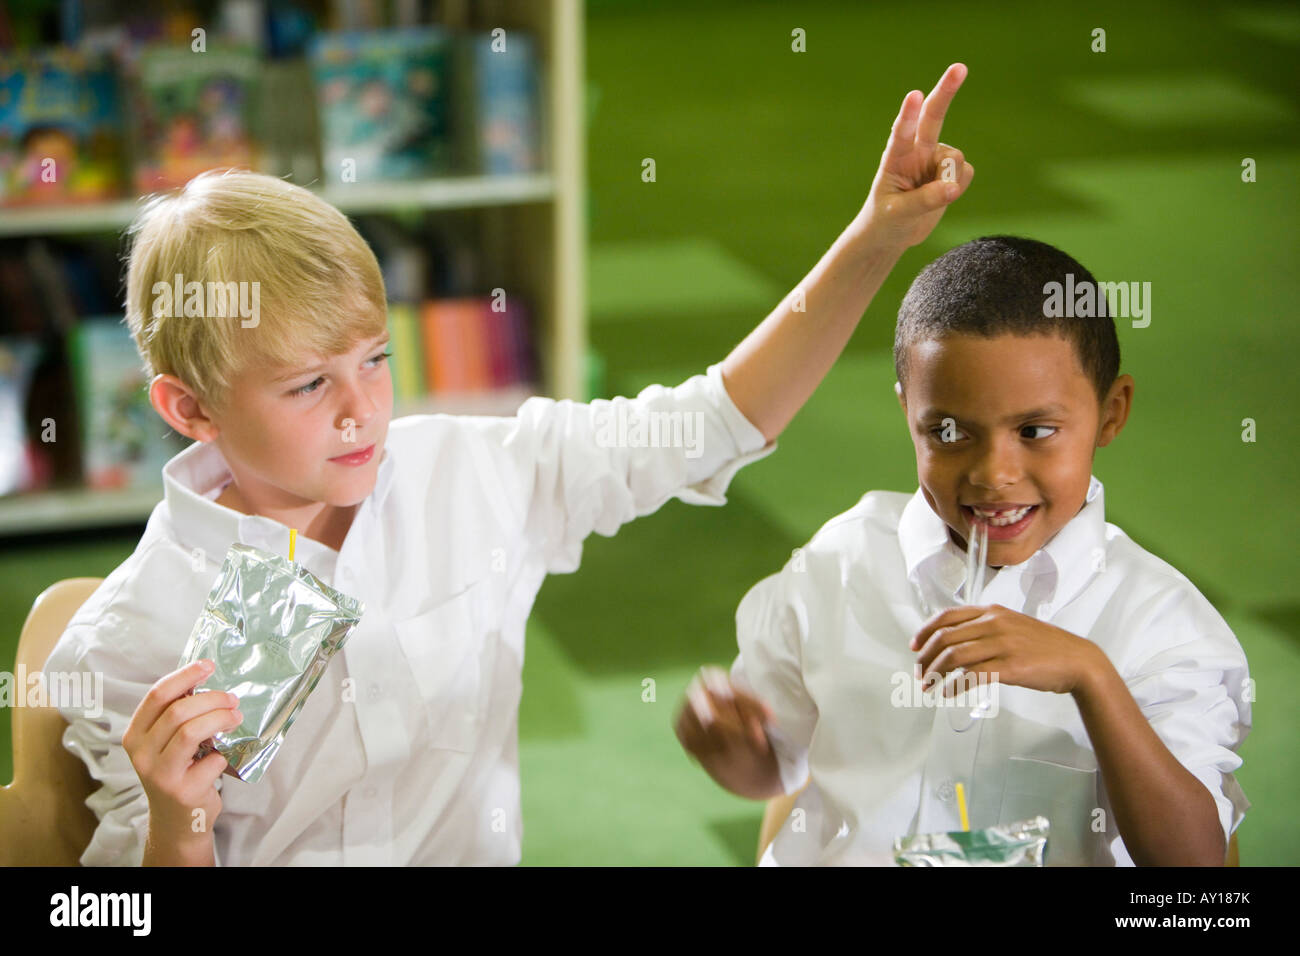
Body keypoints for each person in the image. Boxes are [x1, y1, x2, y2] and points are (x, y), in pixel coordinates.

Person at [44, 66, 975, 865]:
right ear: (190, 409)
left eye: (375, 359)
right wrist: (176, 825)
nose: (362, 409)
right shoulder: (126, 642)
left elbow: (716, 419)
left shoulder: (476, 471)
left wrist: (876, 239)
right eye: (307, 386)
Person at [674, 234, 1251, 866]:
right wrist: (735, 753)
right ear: (909, 413)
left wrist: (1091, 676)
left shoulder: (1161, 622)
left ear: (1111, 413)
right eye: (949, 432)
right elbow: (776, 775)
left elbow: (1195, 872)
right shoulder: (838, 564)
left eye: (1035, 430)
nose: (994, 474)